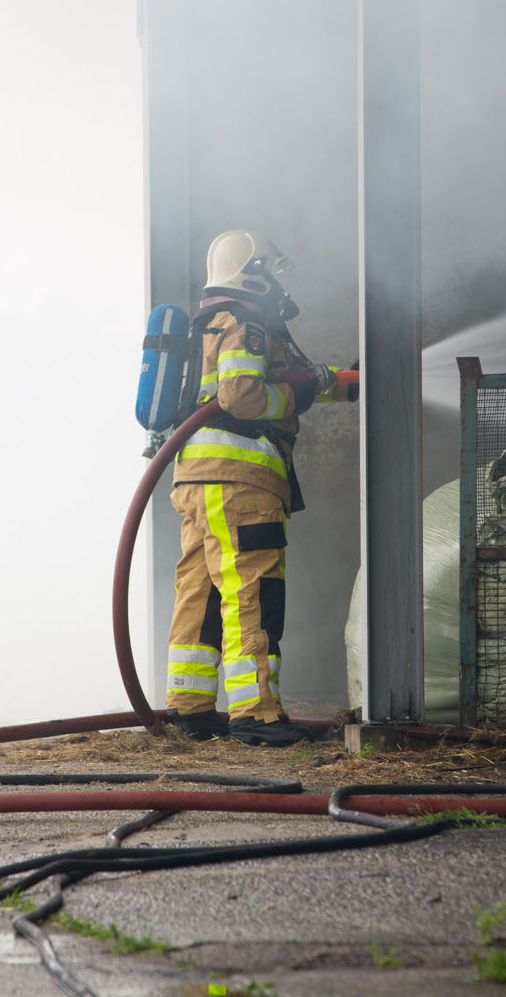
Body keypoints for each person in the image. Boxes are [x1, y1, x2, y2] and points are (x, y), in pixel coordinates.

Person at [164, 230, 355, 746]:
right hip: (240, 483)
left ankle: (189, 706)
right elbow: (244, 397)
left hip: (198, 479)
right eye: (273, 271)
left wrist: (341, 381)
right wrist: (295, 400)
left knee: (200, 593)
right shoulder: (247, 324)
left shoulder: (213, 322)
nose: (278, 284)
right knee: (253, 590)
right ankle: (255, 713)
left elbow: (293, 379)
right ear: (253, 272)